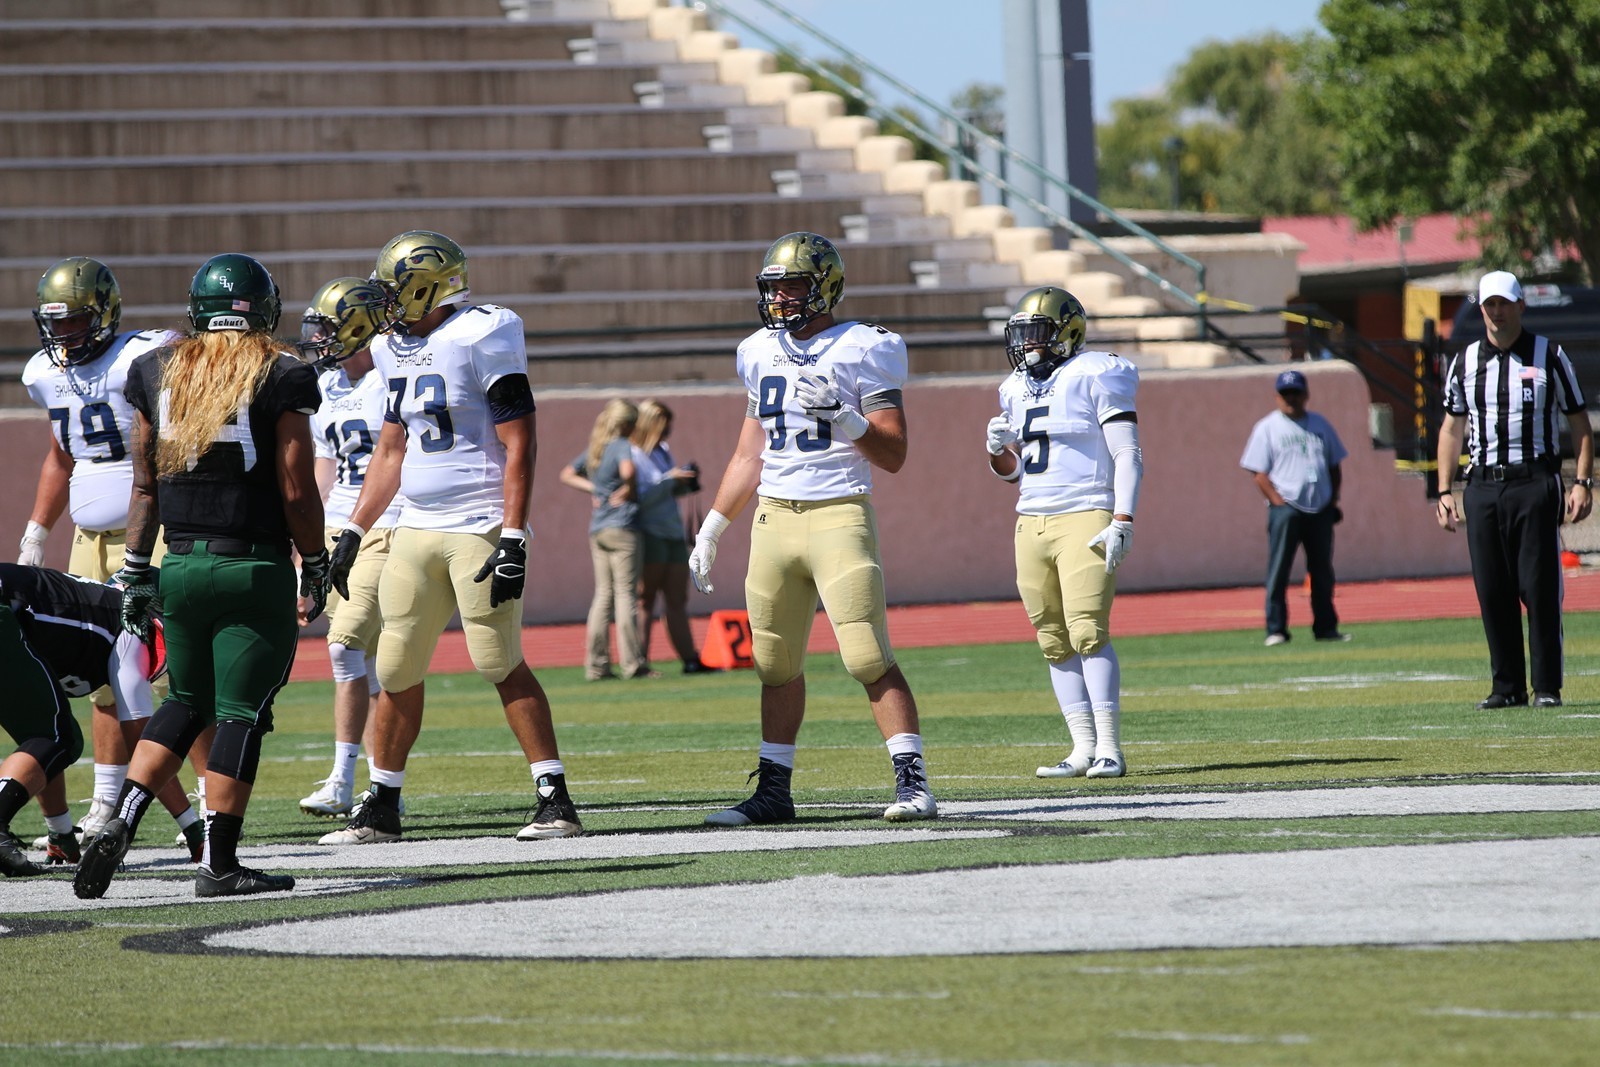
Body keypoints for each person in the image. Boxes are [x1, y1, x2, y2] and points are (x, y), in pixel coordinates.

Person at [74, 253, 330, 900]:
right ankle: (219, 862)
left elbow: (143, 486)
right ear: (264, 309)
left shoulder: (154, 368)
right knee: (241, 711)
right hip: (252, 565)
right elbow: (297, 490)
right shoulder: (282, 372)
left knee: (187, 702)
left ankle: (122, 819)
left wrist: (136, 573)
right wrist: (318, 560)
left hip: (180, 565)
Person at [319, 230, 582, 845]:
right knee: (395, 663)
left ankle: (555, 799)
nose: (384, 301)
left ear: (428, 285)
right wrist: (357, 528)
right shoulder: (388, 348)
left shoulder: (483, 332)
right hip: (413, 525)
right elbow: (390, 449)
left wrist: (513, 534)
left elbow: (522, 442)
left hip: (479, 521)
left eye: (394, 288)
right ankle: (382, 803)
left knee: (497, 659)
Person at [688, 231, 935, 825]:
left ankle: (912, 784)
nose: (779, 299)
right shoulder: (756, 350)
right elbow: (749, 455)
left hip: (837, 511)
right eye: (772, 288)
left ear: (825, 286)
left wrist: (847, 418)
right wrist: (715, 527)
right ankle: (774, 792)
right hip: (774, 518)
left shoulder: (864, 347)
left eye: (792, 285)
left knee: (867, 655)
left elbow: (894, 452)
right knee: (773, 663)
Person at [19, 257, 205, 856]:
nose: (64, 335)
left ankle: (211, 798)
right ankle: (104, 803)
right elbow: (61, 456)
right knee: (99, 673)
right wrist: (35, 531)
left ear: (103, 312)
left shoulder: (140, 355)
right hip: (88, 540)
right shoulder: (44, 373)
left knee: (180, 674)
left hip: (149, 536)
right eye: (56, 323)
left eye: (75, 321)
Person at [985, 287, 1143, 780]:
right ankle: (1080, 748)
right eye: (1022, 335)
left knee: (1088, 631)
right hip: (1031, 518)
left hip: (1085, 513)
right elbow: (1016, 473)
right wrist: (996, 453)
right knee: (1053, 640)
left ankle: (1110, 749)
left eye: (1036, 334)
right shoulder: (1012, 387)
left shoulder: (1095, 372)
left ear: (1065, 333)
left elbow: (1127, 454)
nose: (1027, 345)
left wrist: (1122, 517)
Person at [1436, 270, 1593, 708]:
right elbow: (1451, 428)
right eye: (1490, 304)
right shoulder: (1464, 362)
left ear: (1520, 305)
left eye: (1505, 303)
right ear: (1481, 308)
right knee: (1492, 588)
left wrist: (1581, 481)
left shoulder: (1550, 355)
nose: (1497, 312)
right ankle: (1506, 687)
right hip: (1483, 486)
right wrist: (1444, 490)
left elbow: (1578, 421)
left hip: (1534, 481)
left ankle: (1546, 687)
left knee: (1539, 588)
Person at [295, 277, 398, 818]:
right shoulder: (326, 388)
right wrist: (304, 550)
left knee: (344, 648)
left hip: (385, 524)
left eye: (332, 330)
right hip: (335, 528)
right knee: (375, 665)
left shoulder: (390, 377)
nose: (321, 340)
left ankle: (342, 778)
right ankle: (380, 782)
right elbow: (323, 469)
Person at [0, 564, 168, 877]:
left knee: (44, 735)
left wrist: (62, 833)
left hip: (13, 613)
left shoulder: (87, 603)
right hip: (5, 611)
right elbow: (142, 741)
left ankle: (61, 836)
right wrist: (193, 827)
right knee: (58, 738)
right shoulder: (115, 615)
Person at [1240, 368, 1350, 647]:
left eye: (1296, 393)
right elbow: (1258, 472)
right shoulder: (1267, 427)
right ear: (1277, 396)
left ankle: (1326, 628)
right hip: (1286, 508)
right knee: (1279, 569)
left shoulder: (1320, 424)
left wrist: (1333, 498)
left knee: (1322, 571)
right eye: (1286, 393)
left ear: (1306, 395)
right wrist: (1279, 502)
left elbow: (1334, 464)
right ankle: (1276, 629)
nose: (1292, 399)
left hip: (1320, 507)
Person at [558, 399, 653, 681]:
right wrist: (628, 489)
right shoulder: (622, 445)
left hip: (598, 529)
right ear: (627, 424)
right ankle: (633, 664)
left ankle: (596, 665)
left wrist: (595, 490)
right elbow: (629, 472)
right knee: (625, 594)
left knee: (603, 596)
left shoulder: (597, 448)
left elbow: (566, 474)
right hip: (623, 527)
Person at [631, 399, 710, 674]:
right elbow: (638, 498)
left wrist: (684, 483)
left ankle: (691, 659)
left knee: (678, 599)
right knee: (646, 599)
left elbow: (668, 492)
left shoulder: (662, 452)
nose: (667, 434)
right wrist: (668, 480)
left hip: (673, 533)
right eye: (663, 428)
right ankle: (638, 662)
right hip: (649, 532)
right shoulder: (632, 454)